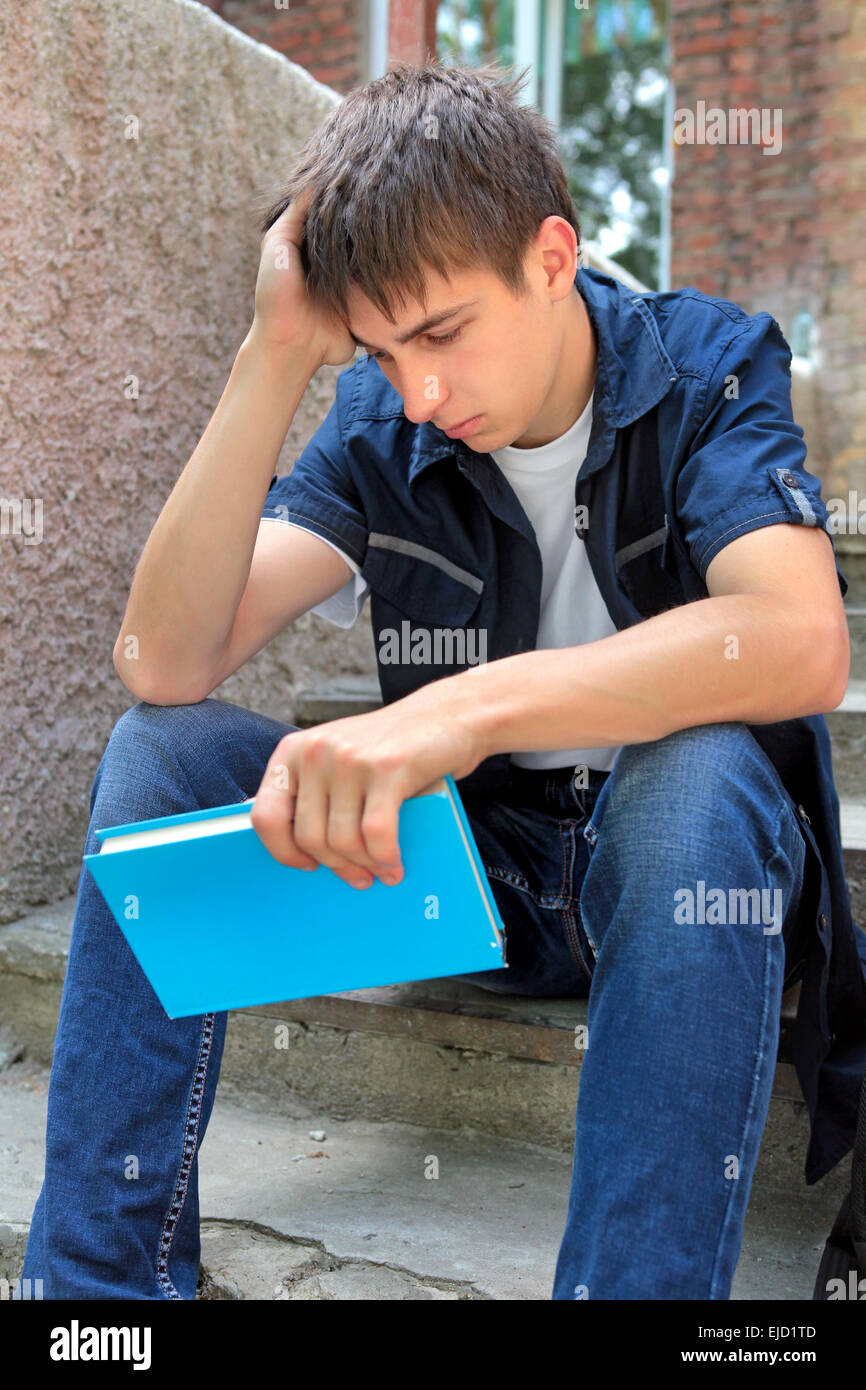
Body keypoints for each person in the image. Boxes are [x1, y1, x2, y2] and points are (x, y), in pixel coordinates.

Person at [18, 59, 866, 1301]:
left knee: (691, 773)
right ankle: (94, 1303)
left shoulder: (707, 364)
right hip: (488, 882)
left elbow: (796, 639)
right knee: (161, 747)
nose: (418, 390)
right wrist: (275, 354)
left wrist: (455, 710)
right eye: (375, 345)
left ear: (550, 256)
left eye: (439, 334)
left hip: (692, 882)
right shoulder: (386, 420)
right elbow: (165, 657)